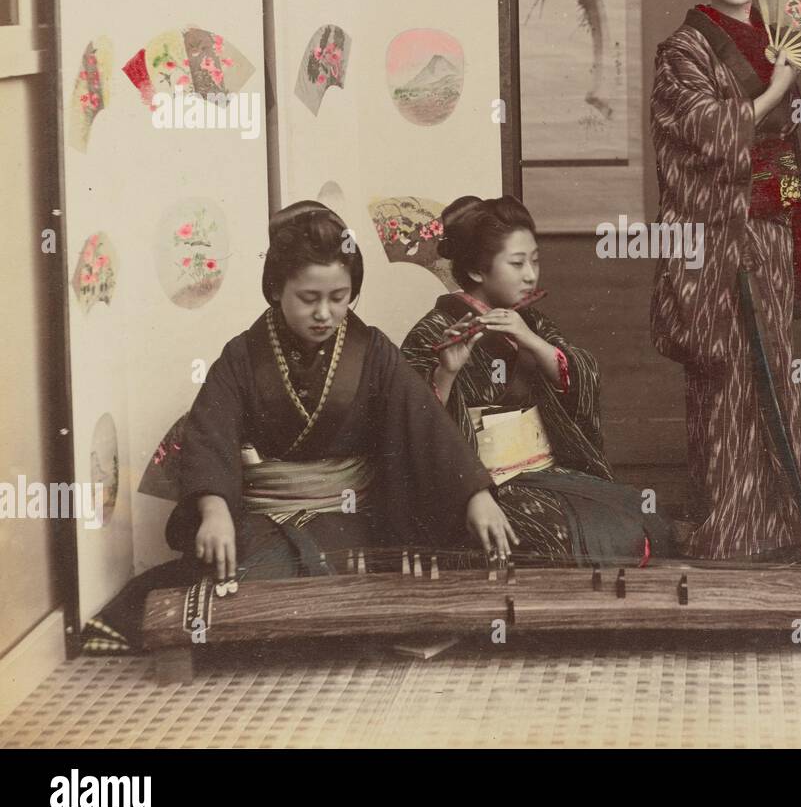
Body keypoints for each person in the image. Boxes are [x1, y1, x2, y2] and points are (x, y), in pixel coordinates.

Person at [83, 201, 512, 650]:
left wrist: (475, 494)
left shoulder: (374, 352)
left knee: (361, 566)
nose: (325, 313)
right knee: (250, 565)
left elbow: (423, 423)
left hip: (352, 516)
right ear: (275, 290)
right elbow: (211, 434)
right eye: (309, 299)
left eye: (339, 297)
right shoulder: (242, 357)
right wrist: (214, 511)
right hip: (262, 518)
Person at [649, 0, 801, 561]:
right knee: (724, 379)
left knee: (774, 371)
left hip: (771, 228)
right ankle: (729, 528)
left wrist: (796, 230)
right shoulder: (683, 49)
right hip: (715, 239)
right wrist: (774, 94)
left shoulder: (779, 37)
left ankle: (786, 525)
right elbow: (701, 131)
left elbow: (788, 155)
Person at [401, 195, 674, 565]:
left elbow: (581, 374)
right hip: (481, 487)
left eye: (535, 260)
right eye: (517, 263)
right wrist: (446, 371)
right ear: (478, 270)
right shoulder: (432, 332)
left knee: (647, 523)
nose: (531, 274)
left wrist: (531, 341)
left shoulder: (532, 324)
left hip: (544, 471)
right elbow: (414, 423)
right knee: (565, 540)